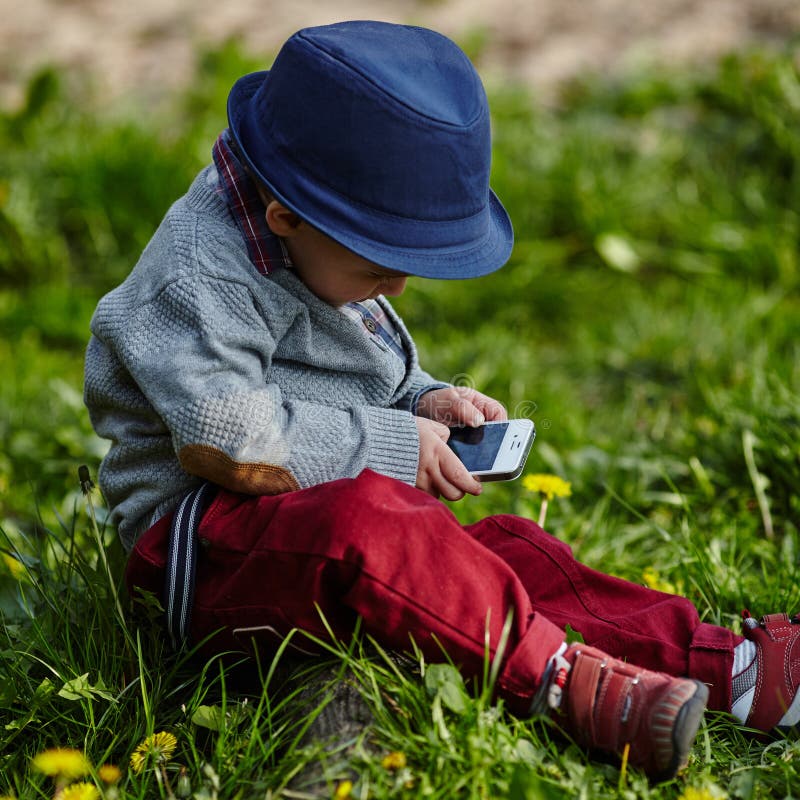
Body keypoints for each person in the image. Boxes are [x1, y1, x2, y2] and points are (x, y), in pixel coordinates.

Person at [83, 20, 800, 781]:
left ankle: (731, 668)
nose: (395, 287)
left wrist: (423, 403)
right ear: (286, 217)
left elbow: (341, 376)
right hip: (200, 550)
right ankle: (562, 683)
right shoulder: (198, 279)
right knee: (371, 528)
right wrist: (394, 446)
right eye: (377, 269)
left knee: (504, 554)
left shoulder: (306, 238)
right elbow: (230, 442)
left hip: (304, 513)